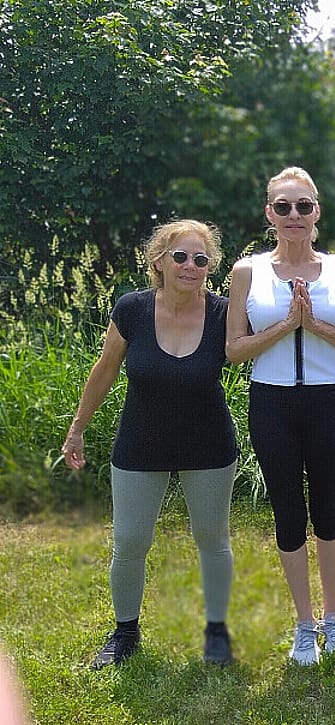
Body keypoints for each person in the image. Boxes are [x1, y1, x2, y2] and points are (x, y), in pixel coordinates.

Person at [62, 219, 238, 668]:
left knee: (212, 539)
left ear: (210, 267)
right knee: (130, 540)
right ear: (158, 261)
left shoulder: (224, 312)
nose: (190, 266)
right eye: (180, 256)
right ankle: (125, 632)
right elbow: (103, 370)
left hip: (209, 443)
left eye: (201, 259)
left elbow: (265, 345)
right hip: (140, 443)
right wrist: (77, 427)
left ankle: (217, 631)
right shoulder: (132, 309)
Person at [227, 167, 335, 666]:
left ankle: (334, 618)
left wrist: (314, 325)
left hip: (327, 399)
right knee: (288, 514)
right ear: (269, 213)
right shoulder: (248, 271)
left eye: (303, 206)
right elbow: (234, 350)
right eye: (283, 206)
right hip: (271, 403)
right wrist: (287, 325)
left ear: (317, 213)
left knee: (328, 510)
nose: (294, 215)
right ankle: (303, 624)